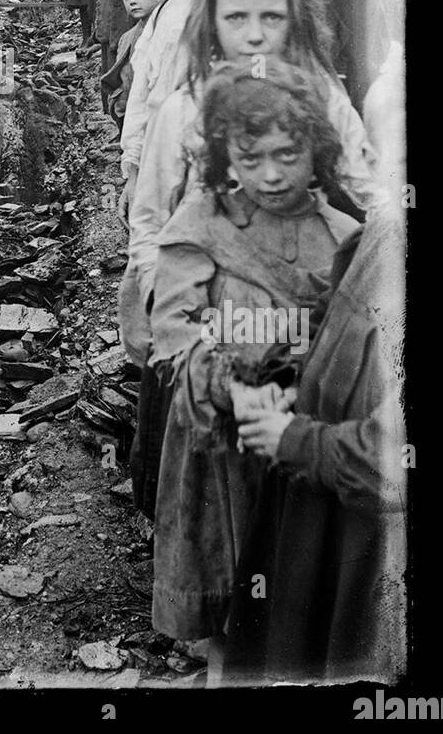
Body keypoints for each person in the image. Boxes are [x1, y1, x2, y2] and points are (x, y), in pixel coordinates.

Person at [125, 0, 384, 519]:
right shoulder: (184, 107)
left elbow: (371, 197)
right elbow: (150, 221)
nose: (254, 33)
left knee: (287, 504)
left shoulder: (322, 99)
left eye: (272, 16)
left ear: (296, 19)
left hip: (301, 333)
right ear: (209, 21)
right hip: (203, 334)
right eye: (235, 16)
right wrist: (167, 312)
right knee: (206, 500)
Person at [149, 60, 358, 675]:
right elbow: (173, 334)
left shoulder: (346, 238)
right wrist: (231, 391)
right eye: (249, 158)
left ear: (315, 149)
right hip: (219, 449)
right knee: (233, 607)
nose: (270, 175)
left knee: (300, 608)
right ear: (224, 157)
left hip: (306, 452)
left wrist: (307, 401)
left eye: (287, 155)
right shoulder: (202, 224)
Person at [226, 206, 406, 685]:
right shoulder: (384, 228)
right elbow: (329, 312)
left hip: (369, 551)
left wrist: (298, 441)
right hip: (314, 504)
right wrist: (288, 381)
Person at [119, 0, 238, 201]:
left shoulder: (251, 7)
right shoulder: (168, 12)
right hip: (170, 164)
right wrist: (134, 170)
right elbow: (145, 94)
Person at [100, 0, 166, 142]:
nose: (132, 1)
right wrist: (118, 103)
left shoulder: (167, 33)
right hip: (130, 118)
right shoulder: (127, 38)